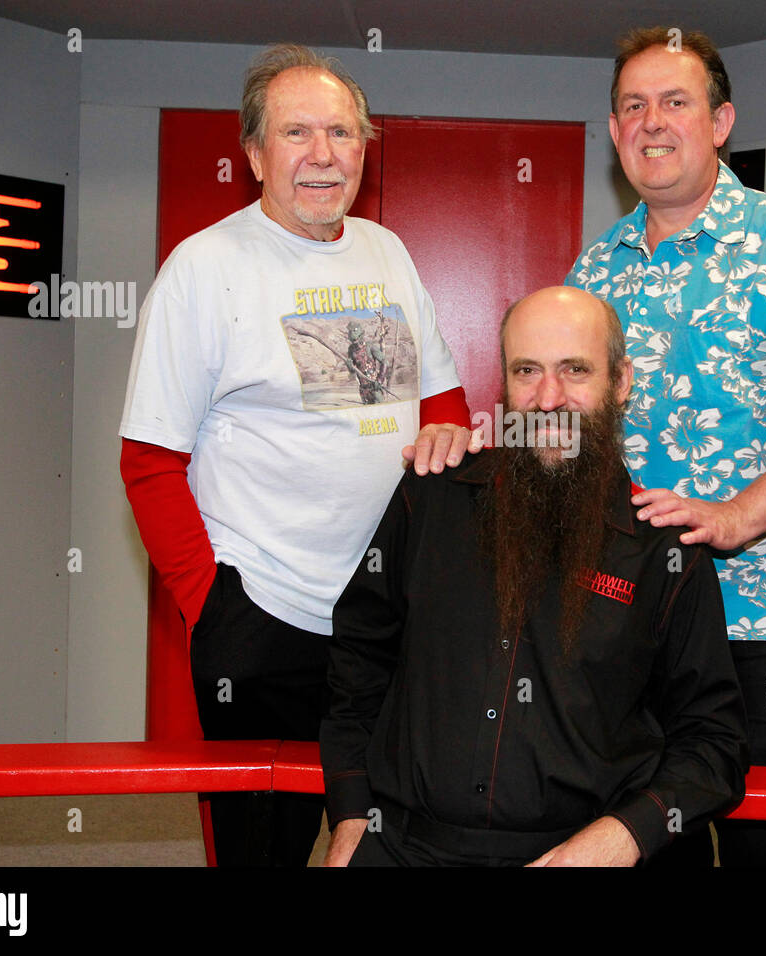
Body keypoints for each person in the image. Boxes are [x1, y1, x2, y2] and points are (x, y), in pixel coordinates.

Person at [118, 43, 476, 866]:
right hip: (262, 617)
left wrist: (445, 443)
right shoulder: (203, 270)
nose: (323, 154)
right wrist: (212, 606)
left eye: (343, 133)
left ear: (364, 149)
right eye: (297, 133)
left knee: (387, 837)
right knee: (260, 849)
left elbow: (443, 403)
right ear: (253, 154)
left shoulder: (388, 251)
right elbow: (148, 462)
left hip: (387, 617)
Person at [565, 27, 766, 867]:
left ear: (720, 122)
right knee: (644, 830)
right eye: (632, 106)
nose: (653, 121)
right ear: (612, 132)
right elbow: (565, 421)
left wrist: (738, 517)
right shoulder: (596, 271)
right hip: (634, 608)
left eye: (676, 101)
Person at [320, 286, 748, 867]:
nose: (549, 399)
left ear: (620, 383)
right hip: (407, 846)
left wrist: (620, 838)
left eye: (576, 370)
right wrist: (349, 818)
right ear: (503, 382)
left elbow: (713, 741)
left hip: (588, 855)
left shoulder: (666, 552)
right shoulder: (431, 497)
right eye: (528, 371)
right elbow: (357, 663)